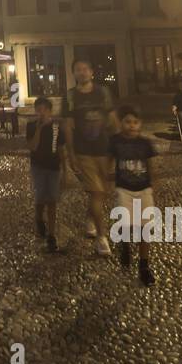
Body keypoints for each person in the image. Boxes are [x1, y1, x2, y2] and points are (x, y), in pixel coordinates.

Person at [61, 59, 117, 255]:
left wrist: (119, 144)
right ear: (74, 74)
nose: (82, 73)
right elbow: (67, 125)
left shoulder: (103, 92)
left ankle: (90, 218)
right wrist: (71, 154)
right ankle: (102, 237)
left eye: (85, 69)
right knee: (97, 192)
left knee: (101, 192)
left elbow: (111, 119)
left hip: (104, 149)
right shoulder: (70, 96)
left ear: (92, 72)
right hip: (83, 150)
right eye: (78, 70)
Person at [109, 104, 158, 285]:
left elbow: (152, 166)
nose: (131, 126)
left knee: (145, 228)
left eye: (135, 122)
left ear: (140, 124)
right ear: (121, 123)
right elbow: (108, 161)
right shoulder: (115, 141)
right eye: (127, 122)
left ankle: (144, 266)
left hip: (144, 189)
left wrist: (153, 187)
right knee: (126, 223)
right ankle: (125, 245)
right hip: (124, 189)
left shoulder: (145, 143)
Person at [26, 96, 63, 252]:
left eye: (45, 110)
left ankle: (52, 234)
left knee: (52, 200)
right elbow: (32, 147)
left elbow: (60, 148)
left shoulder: (56, 126)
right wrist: (39, 129)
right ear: (35, 111)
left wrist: (65, 169)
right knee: (41, 197)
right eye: (39, 110)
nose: (42, 113)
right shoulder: (31, 126)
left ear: (50, 111)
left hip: (53, 166)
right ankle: (39, 219)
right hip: (38, 166)